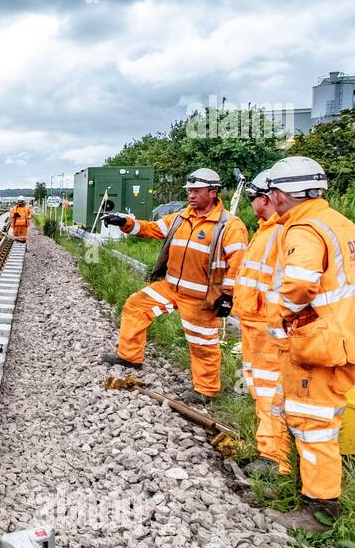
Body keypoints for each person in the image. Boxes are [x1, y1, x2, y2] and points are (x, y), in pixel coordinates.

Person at [264, 156, 355, 524]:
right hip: (350, 336)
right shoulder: (339, 223)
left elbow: (299, 283)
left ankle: (321, 508)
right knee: (309, 414)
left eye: (274, 193)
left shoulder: (304, 228)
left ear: (282, 195)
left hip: (323, 342)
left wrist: (280, 314)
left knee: (314, 423)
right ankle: (299, 482)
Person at [99, 168, 248, 403]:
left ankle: (206, 390)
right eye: (189, 191)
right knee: (136, 306)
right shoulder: (180, 218)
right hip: (170, 288)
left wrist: (228, 296)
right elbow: (152, 228)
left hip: (202, 297)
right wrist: (125, 223)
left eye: (196, 191)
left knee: (202, 342)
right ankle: (129, 357)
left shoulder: (230, 226)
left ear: (213, 192)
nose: (191, 195)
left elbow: (238, 264)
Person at [233, 169, 289, 476]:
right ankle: (265, 447)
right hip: (255, 323)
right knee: (259, 387)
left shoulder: (281, 232)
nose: (251, 203)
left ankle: (274, 459)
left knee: (269, 390)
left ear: (264, 198)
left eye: (253, 197)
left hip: (269, 327)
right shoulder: (266, 229)